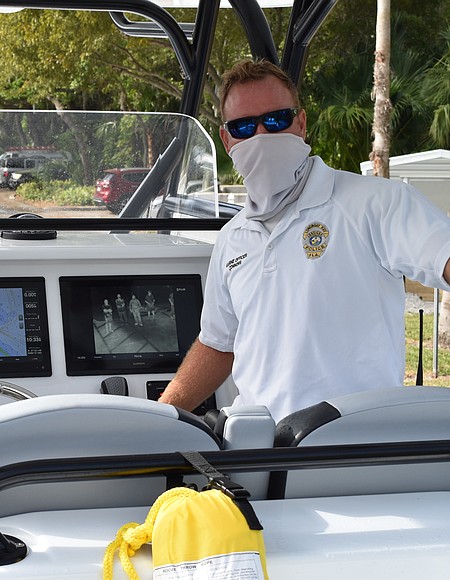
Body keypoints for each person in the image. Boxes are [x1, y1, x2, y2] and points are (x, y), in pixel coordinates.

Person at [159, 59, 450, 422]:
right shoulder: (232, 237)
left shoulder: (375, 204)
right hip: (257, 443)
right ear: (226, 139)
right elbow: (219, 345)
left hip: (351, 441)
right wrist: (159, 419)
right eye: (244, 126)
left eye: (276, 120)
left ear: (301, 123)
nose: (261, 135)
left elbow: (442, 255)